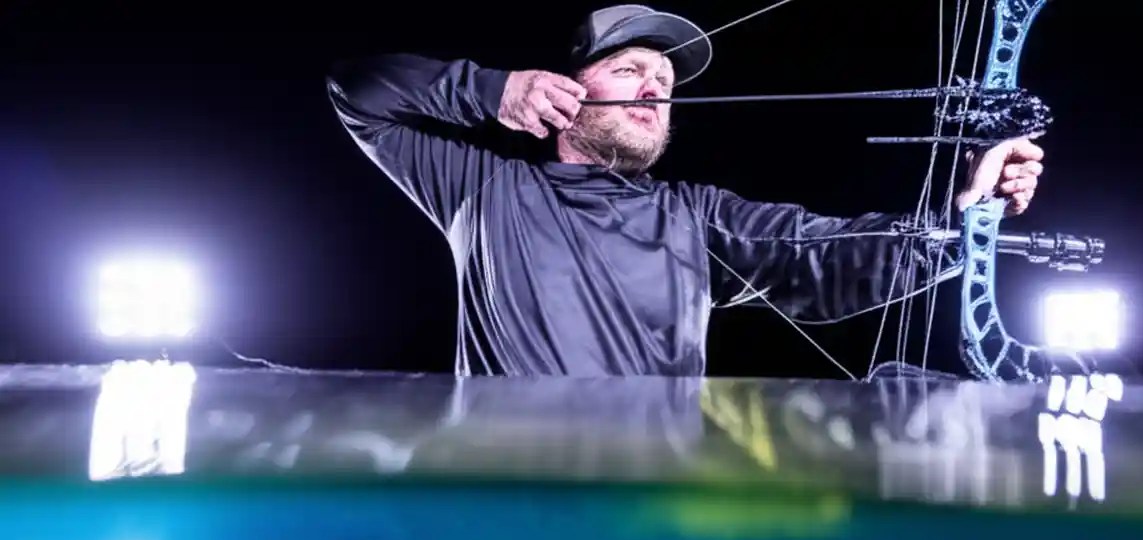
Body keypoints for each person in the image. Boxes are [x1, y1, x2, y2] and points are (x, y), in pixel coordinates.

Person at [326, 4, 1043, 378]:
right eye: (632, 70)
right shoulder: (483, 188)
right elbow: (357, 91)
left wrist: (966, 212)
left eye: (664, 85)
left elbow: (830, 257)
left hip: (653, 504)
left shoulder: (693, 217)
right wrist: (487, 88)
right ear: (570, 86)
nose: (654, 87)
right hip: (510, 495)